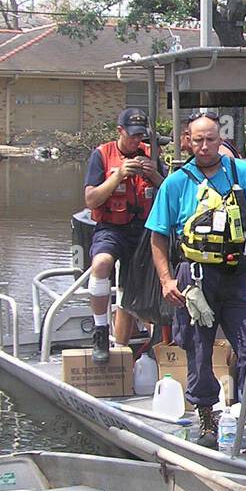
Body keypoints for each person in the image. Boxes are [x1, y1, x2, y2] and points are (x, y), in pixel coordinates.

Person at [147, 112, 246, 450]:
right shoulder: (176, 183)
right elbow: (158, 236)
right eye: (198, 140)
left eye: (210, 139)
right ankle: (206, 417)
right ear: (187, 142)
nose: (204, 146)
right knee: (197, 348)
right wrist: (166, 281)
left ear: (220, 139)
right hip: (193, 280)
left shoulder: (245, 174)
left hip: (240, 278)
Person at [83, 107, 163, 364]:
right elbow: (91, 199)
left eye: (140, 136)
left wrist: (154, 174)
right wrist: (118, 174)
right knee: (102, 263)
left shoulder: (152, 155)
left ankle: (140, 346)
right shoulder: (101, 155)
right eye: (132, 136)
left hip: (143, 230)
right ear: (120, 131)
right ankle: (100, 330)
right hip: (112, 228)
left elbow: (170, 194)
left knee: (133, 290)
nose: (136, 141)